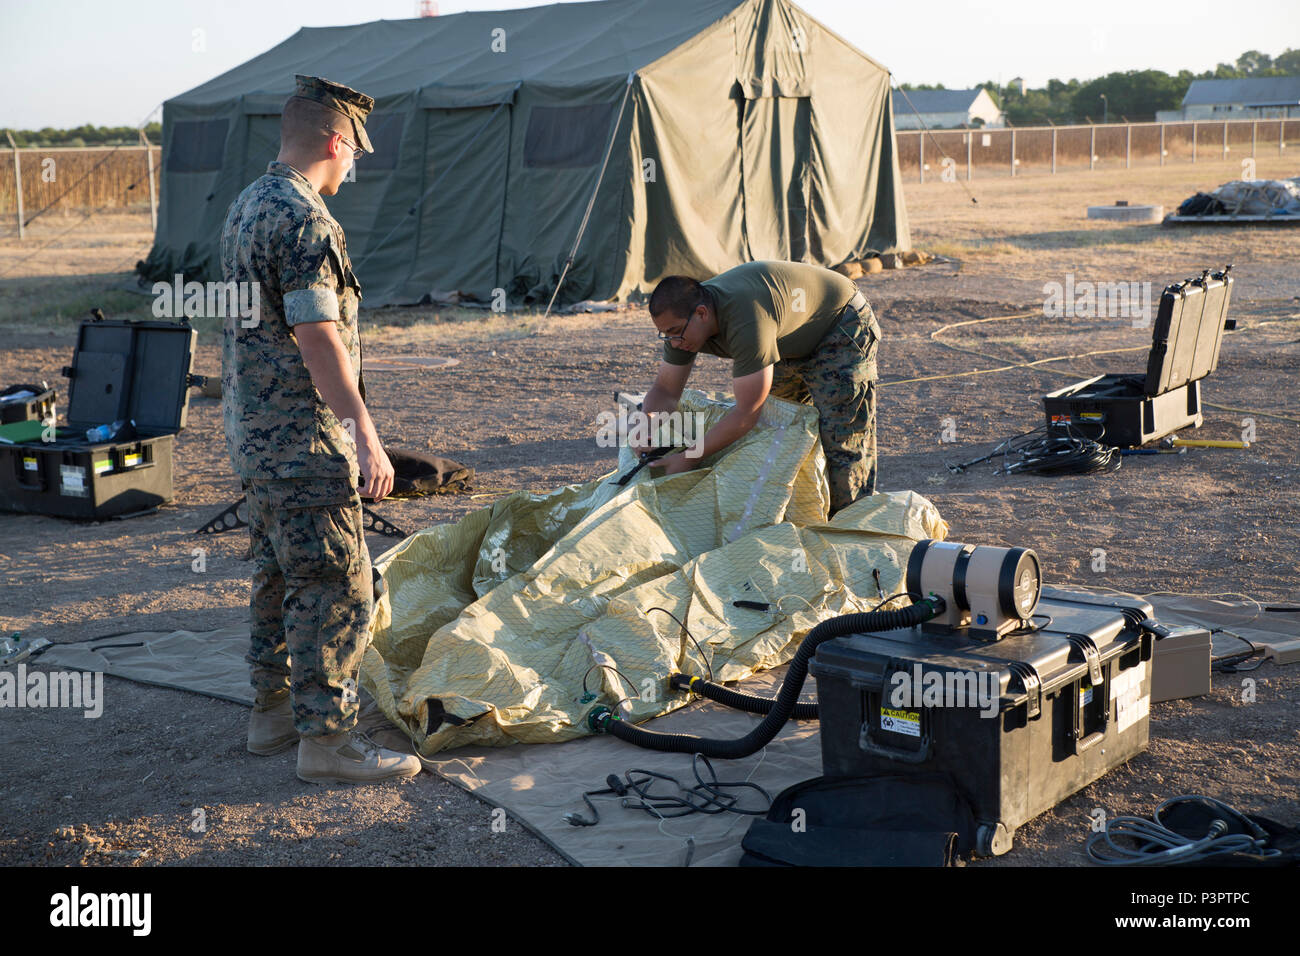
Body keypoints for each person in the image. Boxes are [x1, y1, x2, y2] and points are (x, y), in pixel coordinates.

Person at [220, 74, 419, 784]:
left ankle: (271, 716)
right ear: (337, 141)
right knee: (339, 583)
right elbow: (316, 334)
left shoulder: (248, 203)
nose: (354, 164)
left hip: (254, 435)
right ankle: (328, 745)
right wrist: (363, 430)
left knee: (280, 573)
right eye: (355, 151)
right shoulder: (307, 220)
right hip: (302, 442)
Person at [640, 260, 881, 515]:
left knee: (841, 438)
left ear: (702, 313)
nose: (672, 343)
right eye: (665, 335)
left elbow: (747, 413)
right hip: (786, 334)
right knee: (778, 429)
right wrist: (645, 426)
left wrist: (689, 456)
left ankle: (852, 529)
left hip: (839, 323)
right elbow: (665, 392)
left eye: (675, 333)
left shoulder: (745, 318)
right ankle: (804, 514)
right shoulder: (681, 326)